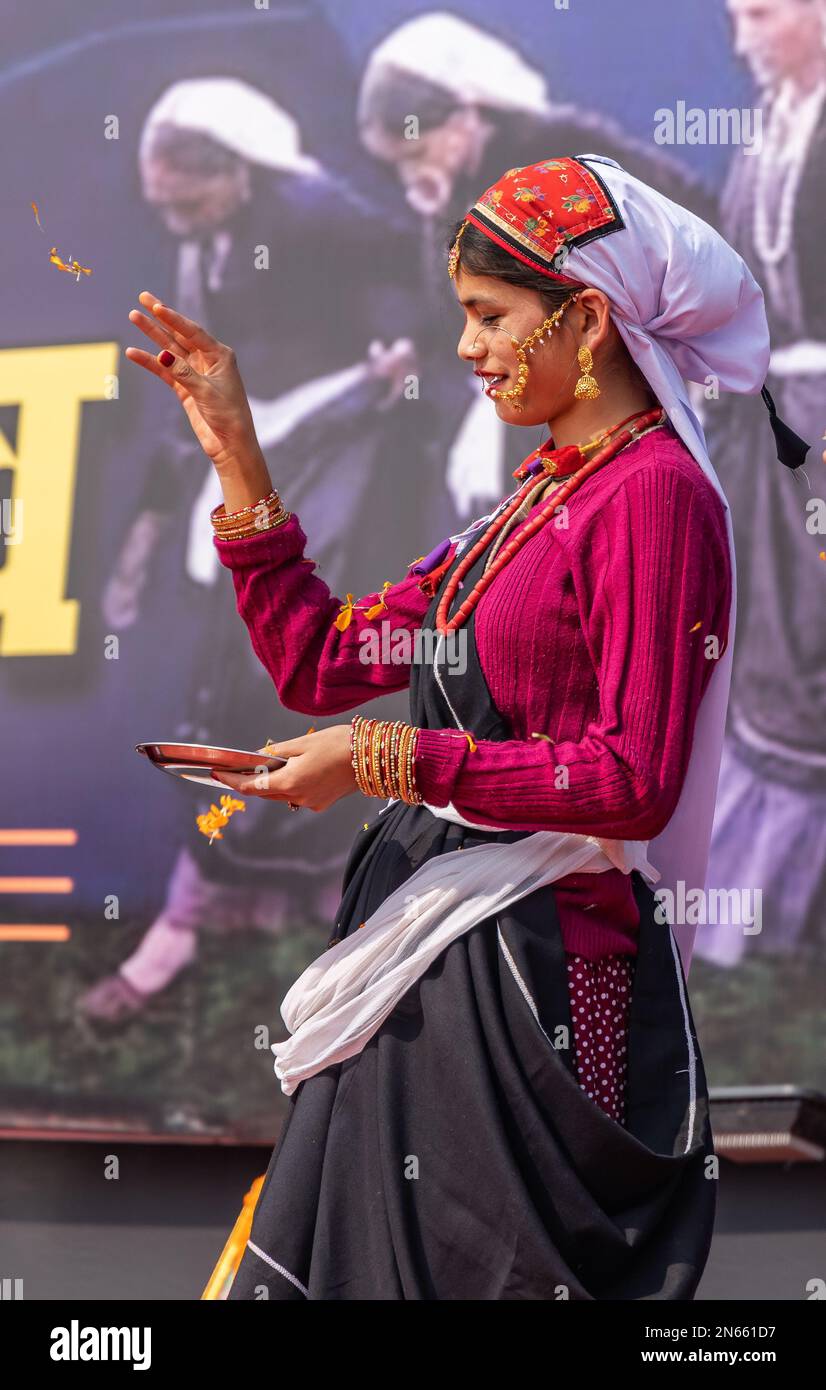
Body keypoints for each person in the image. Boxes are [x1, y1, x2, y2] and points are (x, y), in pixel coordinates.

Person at [124, 153, 788, 1299]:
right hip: (435, 950)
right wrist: (235, 447)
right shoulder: (530, 505)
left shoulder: (653, 496)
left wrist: (385, 757)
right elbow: (320, 657)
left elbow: (632, 777)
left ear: (585, 318)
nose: (469, 348)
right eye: (463, 319)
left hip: (542, 972)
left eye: (491, 317)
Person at [81, 78, 419, 1022]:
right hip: (252, 474)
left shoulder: (311, 212)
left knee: (299, 684)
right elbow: (193, 402)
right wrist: (146, 532)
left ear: (237, 172)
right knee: (228, 682)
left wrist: (396, 353)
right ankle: (207, 912)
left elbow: (418, 263)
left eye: (187, 195)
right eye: (162, 202)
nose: (174, 214)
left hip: (339, 476)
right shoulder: (202, 251)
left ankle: (347, 931)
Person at [356, 11, 720, 526]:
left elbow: (692, 224)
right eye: (399, 165)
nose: (412, 175)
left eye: (418, 153)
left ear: (466, 117)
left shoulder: (559, 156)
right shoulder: (456, 186)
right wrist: (414, 348)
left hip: (594, 395)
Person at [695, 0, 826, 969]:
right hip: (778, 428)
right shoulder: (766, 130)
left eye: (762, 12)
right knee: (774, 652)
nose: (742, 37)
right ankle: (772, 924)